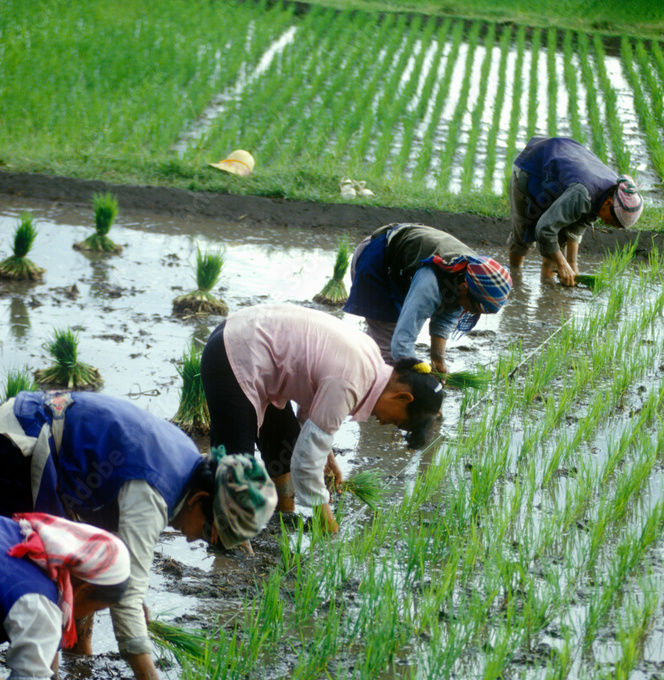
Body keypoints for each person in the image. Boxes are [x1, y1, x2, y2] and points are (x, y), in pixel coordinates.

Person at [0, 391, 277, 680]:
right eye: (208, 532)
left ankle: (60, 673)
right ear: (200, 501)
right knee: (33, 582)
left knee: (72, 579)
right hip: (19, 444)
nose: (197, 541)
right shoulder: (154, 492)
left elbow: (105, 555)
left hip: (46, 437)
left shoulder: (186, 462)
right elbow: (126, 594)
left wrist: (124, 595)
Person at [200, 303, 444, 533]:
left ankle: (283, 516)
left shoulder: (370, 364)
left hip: (252, 342)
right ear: (403, 398)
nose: (382, 422)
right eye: (395, 421)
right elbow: (306, 463)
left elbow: (312, 415)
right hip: (236, 350)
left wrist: (328, 457)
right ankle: (225, 536)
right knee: (235, 463)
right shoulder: (352, 381)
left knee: (285, 439)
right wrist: (325, 516)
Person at [0, 512, 131, 680]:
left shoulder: (18, 534)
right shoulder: (40, 606)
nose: (89, 615)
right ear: (84, 589)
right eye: (96, 608)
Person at [343, 223, 512, 374]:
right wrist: (419, 380)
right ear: (464, 288)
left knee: (386, 346)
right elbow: (401, 344)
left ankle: (369, 377)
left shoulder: (469, 274)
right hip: (378, 259)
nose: (469, 312)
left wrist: (438, 361)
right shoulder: (431, 283)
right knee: (387, 347)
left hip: (403, 268)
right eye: (475, 308)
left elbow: (446, 318)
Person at [507, 135, 644, 285]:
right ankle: (514, 280)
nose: (606, 224)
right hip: (533, 167)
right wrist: (562, 263)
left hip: (560, 181)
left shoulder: (610, 193)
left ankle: (547, 290)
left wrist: (572, 264)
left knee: (557, 245)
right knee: (522, 237)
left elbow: (579, 224)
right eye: (611, 221)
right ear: (609, 203)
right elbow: (544, 229)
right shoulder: (584, 194)